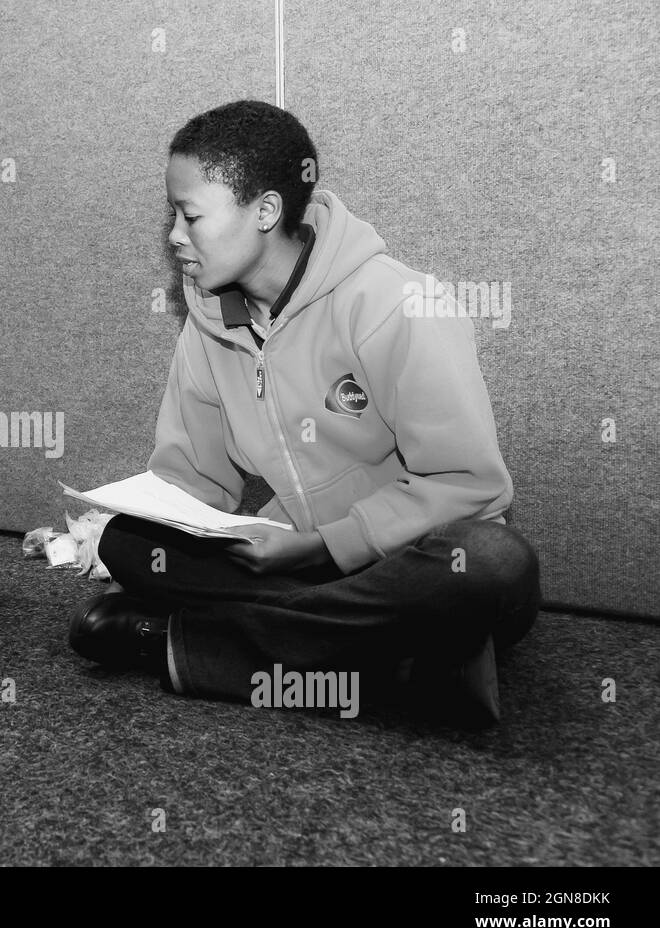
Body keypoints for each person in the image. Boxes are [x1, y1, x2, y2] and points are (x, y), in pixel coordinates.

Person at [68, 101, 541, 727]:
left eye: (190, 216)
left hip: (412, 562)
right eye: (171, 217)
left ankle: (190, 648)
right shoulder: (212, 321)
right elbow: (193, 480)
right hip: (309, 573)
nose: (175, 237)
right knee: (131, 544)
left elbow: (467, 485)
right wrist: (168, 516)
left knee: (493, 564)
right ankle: (400, 664)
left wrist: (323, 546)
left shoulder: (400, 304)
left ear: (265, 211)